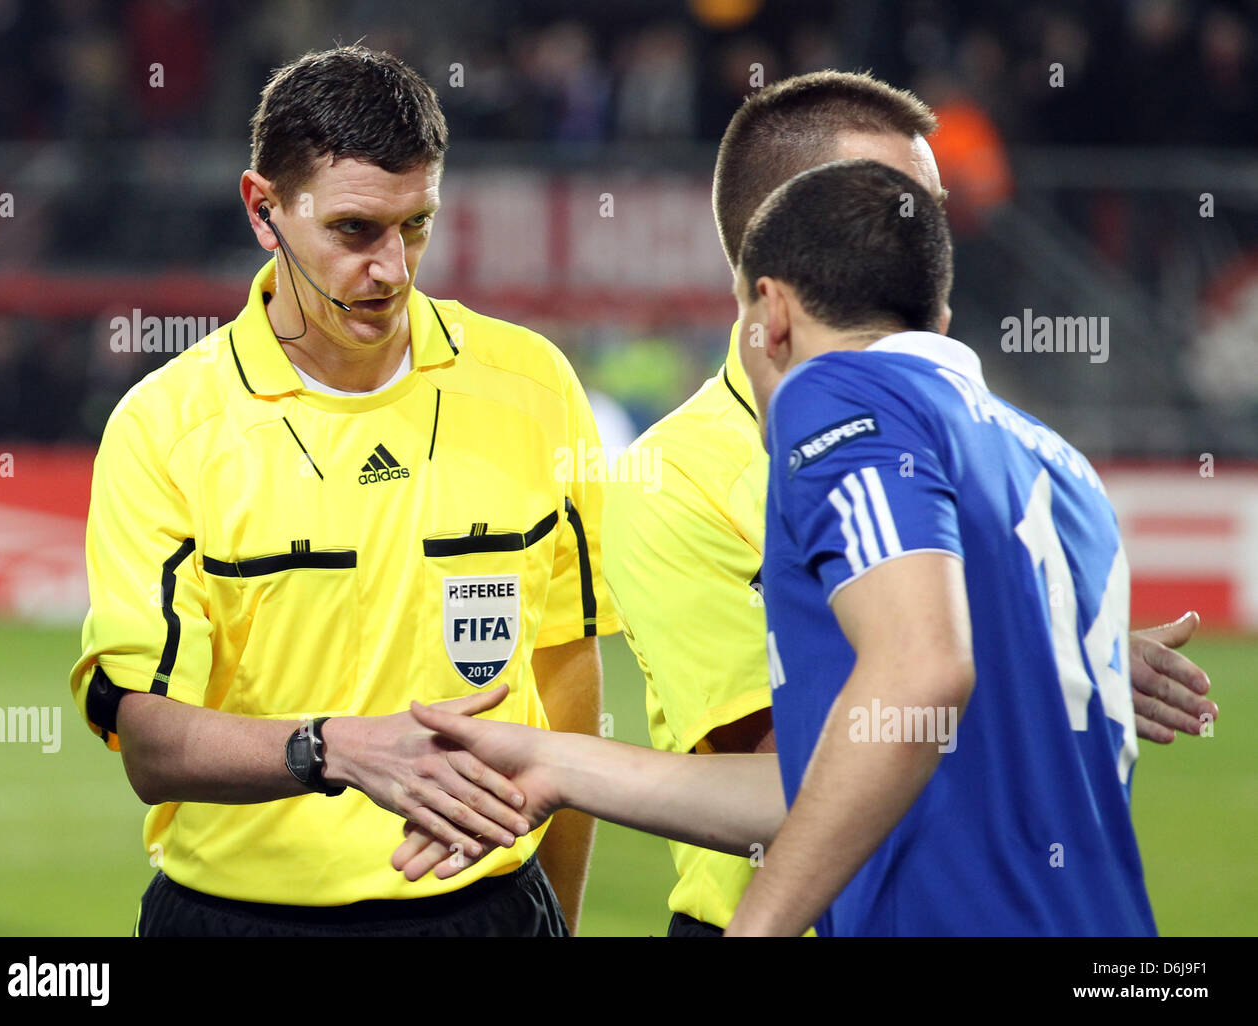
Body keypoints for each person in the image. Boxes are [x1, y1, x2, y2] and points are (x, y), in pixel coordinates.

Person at [393, 160, 1157, 937]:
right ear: (942, 313)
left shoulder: (834, 395)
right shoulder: (1057, 464)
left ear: (773, 313)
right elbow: (832, 785)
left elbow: (922, 670)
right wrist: (557, 766)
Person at [599, 71, 1216, 937]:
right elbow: (800, 774)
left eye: (932, 207)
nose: (928, 237)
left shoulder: (973, 431)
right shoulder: (673, 480)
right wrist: (1033, 675)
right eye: (895, 204)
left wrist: (1065, 663)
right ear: (788, 237)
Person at [67, 45, 617, 937]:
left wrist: (559, 913)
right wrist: (330, 749)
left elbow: (567, 671)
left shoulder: (534, 385)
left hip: (486, 914)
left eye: (417, 225)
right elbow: (151, 741)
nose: (394, 269)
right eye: (356, 230)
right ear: (263, 210)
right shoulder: (165, 426)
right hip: (236, 918)